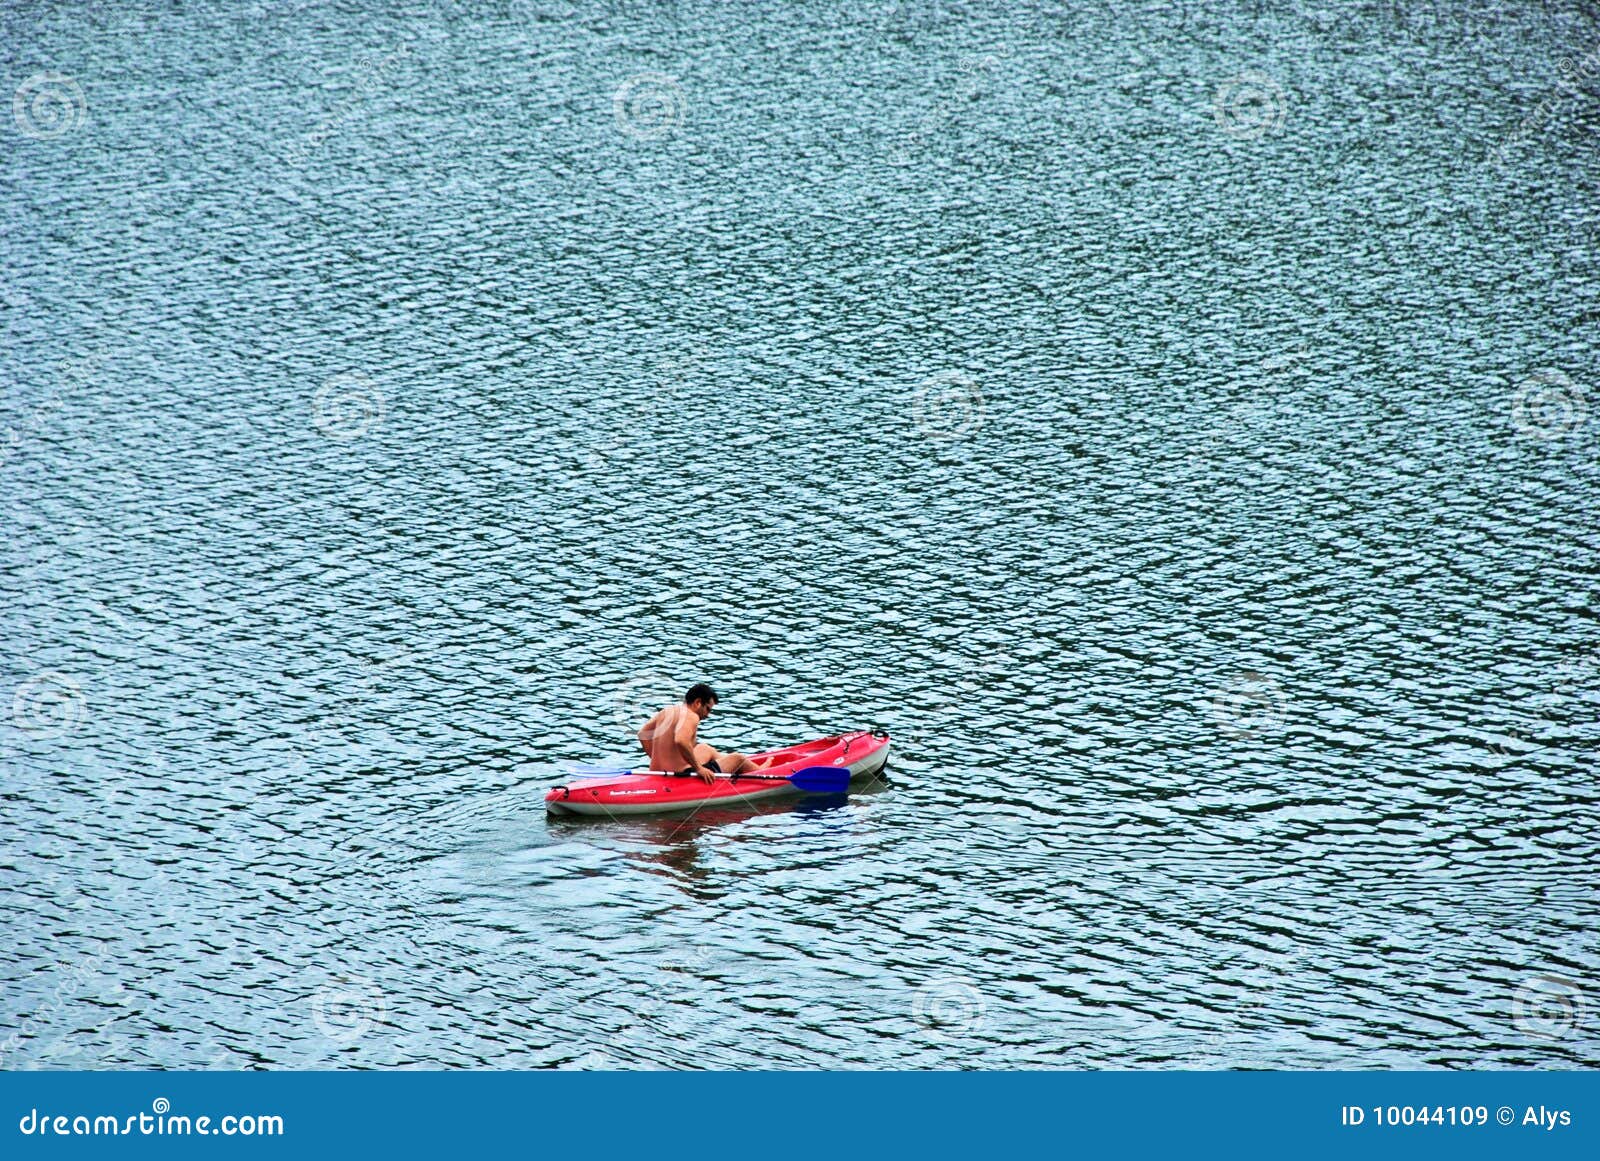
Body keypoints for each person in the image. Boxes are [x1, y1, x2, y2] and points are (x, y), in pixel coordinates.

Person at [638, 683, 770, 784]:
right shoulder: (691, 716)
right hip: (680, 775)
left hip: (657, 772)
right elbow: (681, 740)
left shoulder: (667, 711)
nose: (707, 715)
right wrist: (699, 769)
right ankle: (761, 772)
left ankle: (725, 769)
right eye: (707, 709)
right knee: (738, 758)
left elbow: (642, 734)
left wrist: (658, 759)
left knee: (704, 748)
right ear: (697, 703)